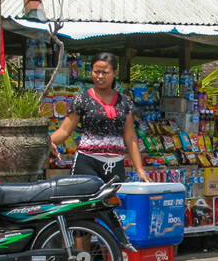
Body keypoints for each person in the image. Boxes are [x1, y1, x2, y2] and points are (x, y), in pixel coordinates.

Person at [51, 52, 149, 184]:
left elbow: (130, 137)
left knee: (113, 203)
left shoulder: (125, 102)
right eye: (96, 72)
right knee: (85, 204)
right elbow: (64, 131)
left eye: (105, 72)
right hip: (86, 163)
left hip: (116, 166)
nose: (100, 76)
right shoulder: (82, 100)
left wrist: (139, 169)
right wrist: (46, 142)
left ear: (114, 73)